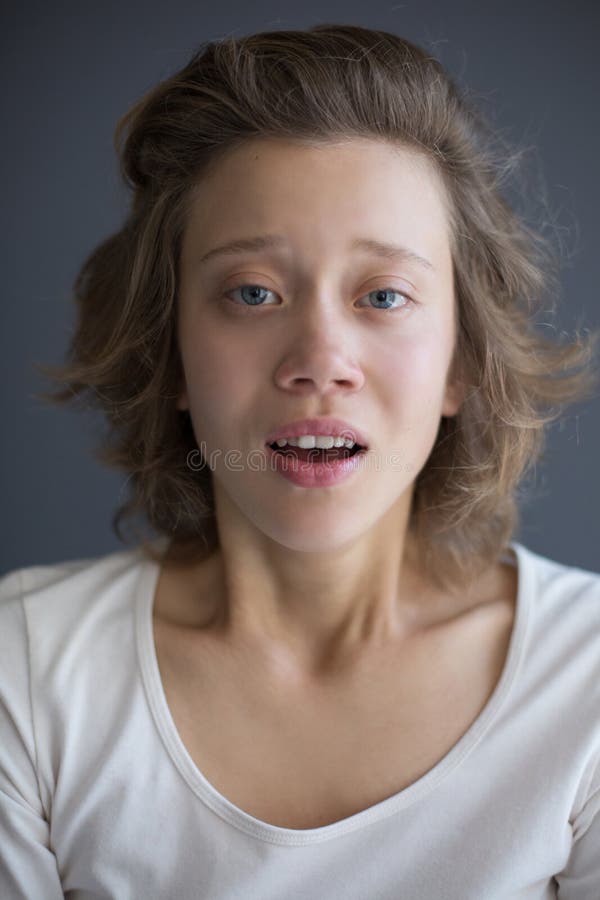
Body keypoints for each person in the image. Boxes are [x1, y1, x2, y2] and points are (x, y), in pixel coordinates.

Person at [1, 22, 599, 900]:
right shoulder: (23, 669)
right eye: (253, 292)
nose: (320, 360)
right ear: (170, 353)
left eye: (383, 295)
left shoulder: (587, 677)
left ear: (462, 362)